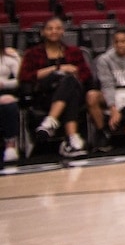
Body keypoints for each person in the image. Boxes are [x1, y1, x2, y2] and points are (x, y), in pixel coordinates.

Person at [18, 16, 91, 157]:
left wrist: (73, 74)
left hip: (71, 93)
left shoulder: (73, 52)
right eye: (50, 29)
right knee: (68, 84)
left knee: (70, 82)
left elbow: (86, 76)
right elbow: (25, 77)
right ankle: (72, 138)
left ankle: (50, 122)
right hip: (44, 96)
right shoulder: (32, 54)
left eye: (57, 28)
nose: (54, 31)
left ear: (63, 31)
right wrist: (56, 68)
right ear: (43, 32)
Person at [85, 26, 125, 151]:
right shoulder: (104, 60)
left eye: (123, 41)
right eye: (116, 42)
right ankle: (102, 133)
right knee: (91, 96)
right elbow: (107, 86)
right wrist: (112, 108)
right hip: (113, 92)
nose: (119, 44)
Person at [1, 34, 21, 163]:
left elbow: (21, 80)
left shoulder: (9, 58)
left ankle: (10, 146)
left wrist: (4, 84)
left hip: (3, 93)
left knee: (9, 103)